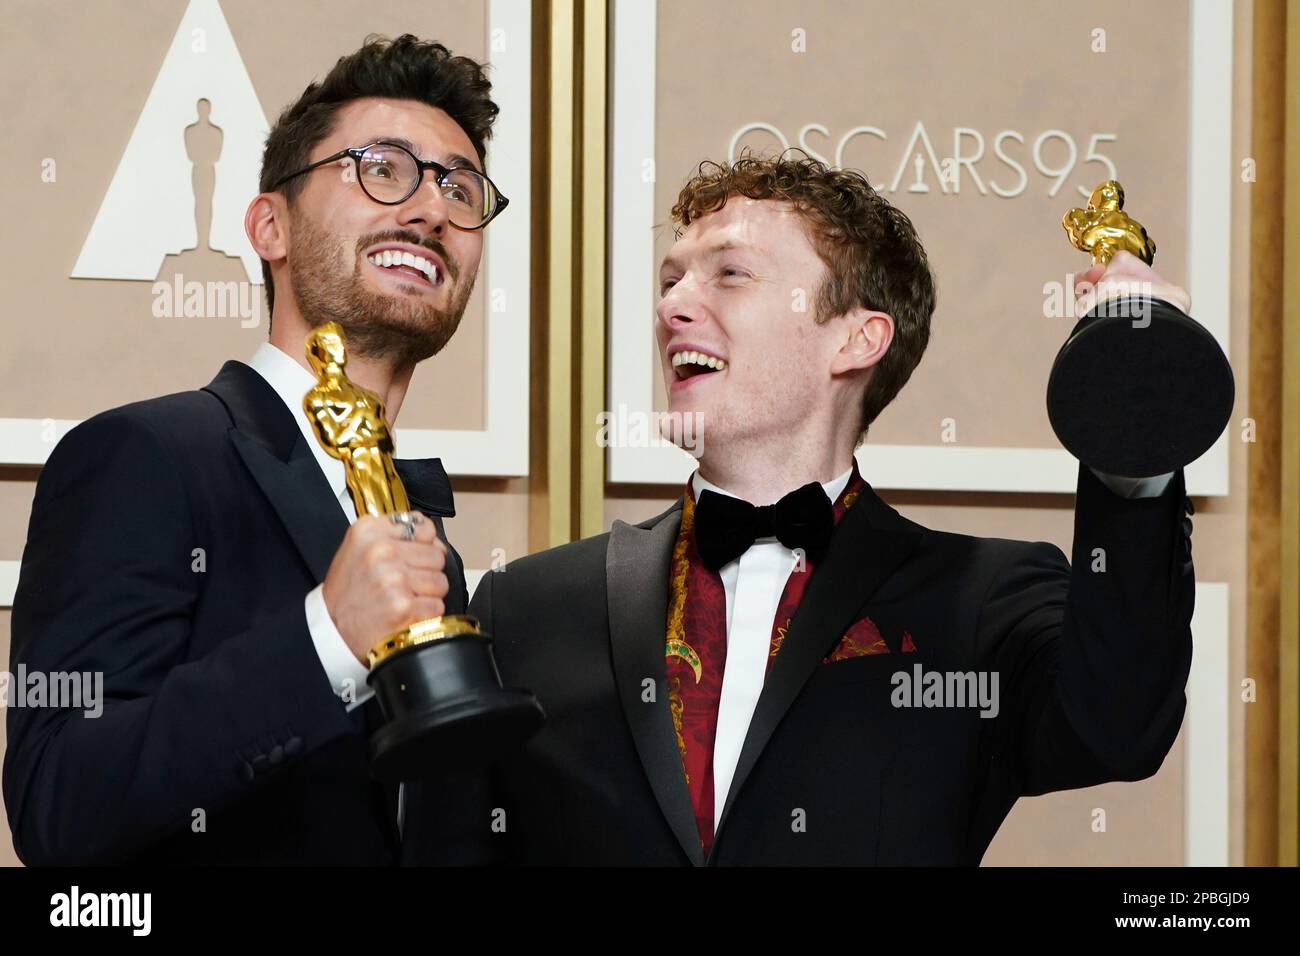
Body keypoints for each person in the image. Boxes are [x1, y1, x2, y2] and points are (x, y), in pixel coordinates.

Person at [439, 154, 1195, 865]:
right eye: (671, 280)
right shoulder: (524, 607)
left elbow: (1118, 728)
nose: (673, 305)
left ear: (858, 339)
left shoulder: (981, 602)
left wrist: (1136, 397)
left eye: (729, 273)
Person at [4, 34, 511, 865]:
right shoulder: (142, 457)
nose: (429, 209)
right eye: (382, 167)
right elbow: (58, 802)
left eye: (460, 188)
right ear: (269, 225)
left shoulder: (432, 550)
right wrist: (326, 638)